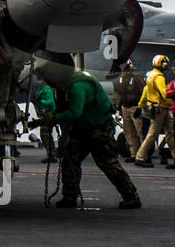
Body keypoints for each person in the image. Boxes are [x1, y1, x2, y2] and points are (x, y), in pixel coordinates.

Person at [35, 56, 140, 209]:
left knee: (107, 163)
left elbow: (74, 112)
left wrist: (53, 119)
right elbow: (66, 108)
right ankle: (69, 197)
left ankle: (131, 196)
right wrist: (53, 117)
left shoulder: (78, 86)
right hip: (83, 127)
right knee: (70, 160)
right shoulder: (67, 83)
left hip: (99, 128)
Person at [133, 54, 173, 167]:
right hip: (161, 108)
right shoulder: (159, 77)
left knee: (171, 133)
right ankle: (140, 157)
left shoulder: (151, 75)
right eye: (165, 63)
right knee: (152, 134)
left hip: (157, 108)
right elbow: (164, 94)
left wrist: (140, 106)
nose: (166, 65)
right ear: (162, 63)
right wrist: (173, 103)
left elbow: (145, 92)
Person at [114, 60, 146, 161]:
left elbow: (144, 92)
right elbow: (119, 93)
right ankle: (133, 154)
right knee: (129, 132)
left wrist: (140, 108)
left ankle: (144, 155)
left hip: (134, 107)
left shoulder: (136, 78)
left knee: (140, 131)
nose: (125, 71)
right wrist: (119, 107)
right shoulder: (121, 79)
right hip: (125, 107)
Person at [34, 78, 59, 162]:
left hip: (48, 115)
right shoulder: (43, 88)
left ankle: (52, 155)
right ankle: (51, 155)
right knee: (46, 135)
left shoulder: (46, 89)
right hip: (46, 115)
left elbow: (50, 103)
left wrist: (41, 101)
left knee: (45, 135)